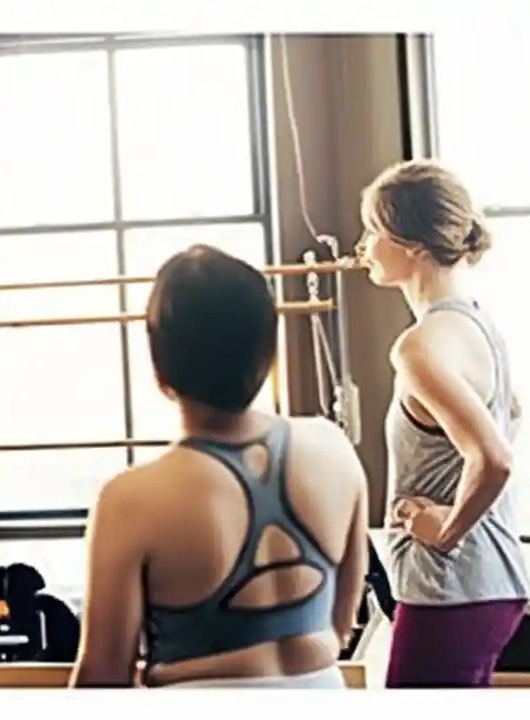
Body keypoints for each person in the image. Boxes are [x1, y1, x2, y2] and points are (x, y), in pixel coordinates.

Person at [70, 244, 369, 689]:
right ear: (269, 355)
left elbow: (103, 680)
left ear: (160, 370)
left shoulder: (130, 500)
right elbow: (342, 625)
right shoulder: (333, 448)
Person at [359, 159, 529, 688]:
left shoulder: (420, 346)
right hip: (487, 585)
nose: (362, 246)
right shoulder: (472, 321)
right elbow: (513, 412)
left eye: (372, 231)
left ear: (410, 244)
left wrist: (447, 528)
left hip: (450, 590)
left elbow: (495, 457)